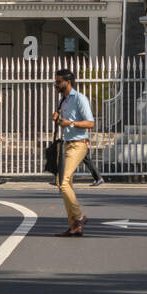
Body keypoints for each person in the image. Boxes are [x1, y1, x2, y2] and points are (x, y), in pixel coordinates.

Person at [51, 68, 95, 236]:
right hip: (67, 144)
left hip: (79, 144)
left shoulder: (79, 99)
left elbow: (90, 123)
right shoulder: (63, 100)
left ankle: (79, 217)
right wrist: (57, 118)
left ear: (67, 82)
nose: (56, 84)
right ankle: (75, 226)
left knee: (63, 182)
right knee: (66, 185)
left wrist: (70, 124)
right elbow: (62, 121)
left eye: (58, 81)